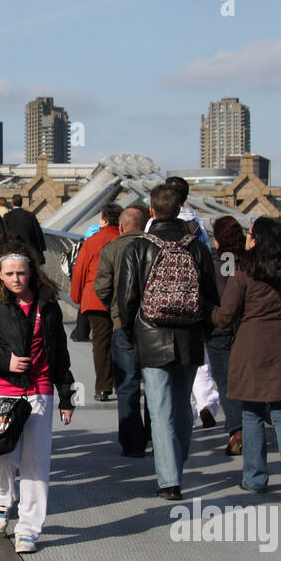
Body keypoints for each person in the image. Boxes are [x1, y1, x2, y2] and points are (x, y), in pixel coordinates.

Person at [0, 239, 75, 553]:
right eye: (8, 273)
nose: (15, 279)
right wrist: (3, 362)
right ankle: (2, 495)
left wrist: (66, 396)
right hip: (2, 390)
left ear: (31, 273)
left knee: (36, 464)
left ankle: (29, 529)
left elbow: (59, 353)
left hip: (38, 390)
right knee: (1, 456)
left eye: (21, 273)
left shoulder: (47, 305)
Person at [117, 184, 220, 501]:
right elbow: (210, 297)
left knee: (160, 410)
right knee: (182, 406)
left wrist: (132, 333)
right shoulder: (197, 248)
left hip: (151, 336)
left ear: (151, 212)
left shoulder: (138, 247)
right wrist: (204, 330)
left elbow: (128, 298)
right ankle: (179, 458)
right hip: (189, 337)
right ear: (179, 210)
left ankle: (169, 481)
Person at [211, 217, 281, 501]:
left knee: (252, 413)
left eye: (250, 233)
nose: (246, 237)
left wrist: (207, 312)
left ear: (256, 239)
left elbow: (226, 315)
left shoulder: (244, 269)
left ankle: (255, 478)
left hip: (251, 347)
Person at [93, 202, 151, 457]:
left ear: (122, 227)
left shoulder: (111, 248)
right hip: (154, 326)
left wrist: (114, 310)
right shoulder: (155, 247)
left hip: (122, 324)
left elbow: (102, 287)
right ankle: (155, 436)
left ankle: (131, 443)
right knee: (154, 385)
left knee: (127, 385)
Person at [71, 203, 122, 402]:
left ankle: (103, 387)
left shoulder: (92, 241)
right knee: (123, 341)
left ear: (104, 219)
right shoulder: (125, 239)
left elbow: (80, 271)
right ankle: (122, 382)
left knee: (100, 343)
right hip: (122, 300)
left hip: (94, 298)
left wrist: (77, 298)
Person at [208, 216, 246, 455]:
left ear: (218, 239)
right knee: (248, 380)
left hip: (218, 328)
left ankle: (237, 428)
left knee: (225, 382)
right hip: (247, 330)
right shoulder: (250, 262)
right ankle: (249, 426)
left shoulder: (210, 261)